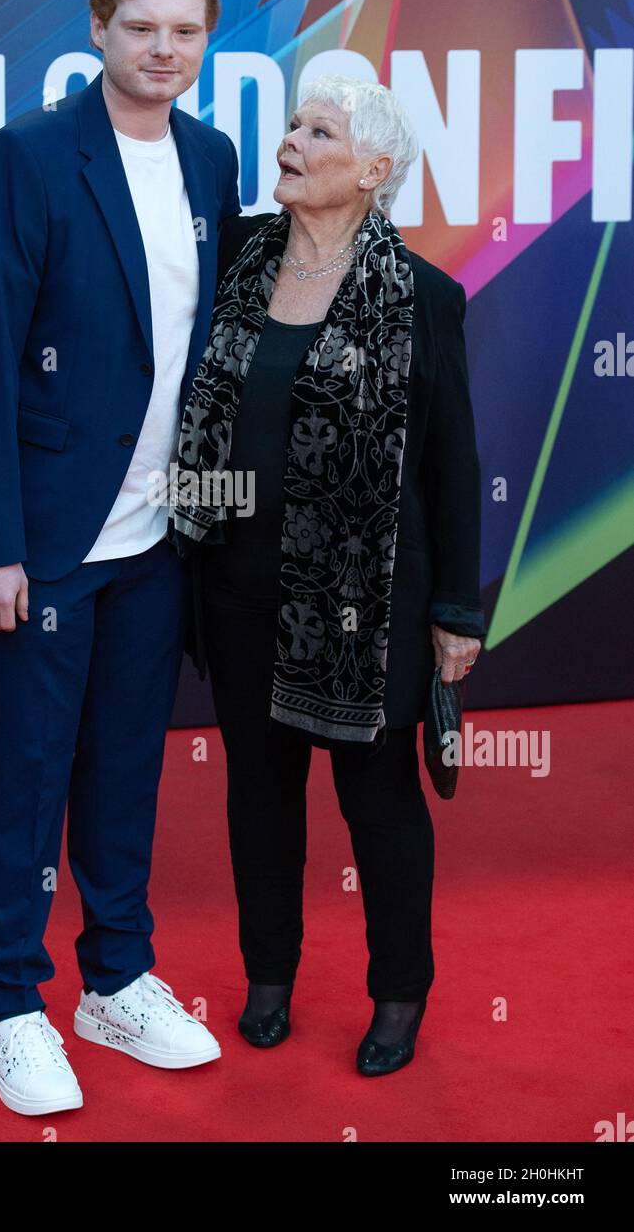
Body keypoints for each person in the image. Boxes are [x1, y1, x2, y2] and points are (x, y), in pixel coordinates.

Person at [0, 0, 240, 1116]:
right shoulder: (29, 157)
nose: (165, 49)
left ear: (208, 40)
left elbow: (199, 359)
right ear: (98, 29)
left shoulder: (212, 159)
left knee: (123, 772)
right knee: (28, 774)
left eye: (186, 30)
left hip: (154, 541)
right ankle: (10, 1003)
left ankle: (116, 979)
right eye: (142, 26)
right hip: (44, 538)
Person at [170, 74, 485, 1076]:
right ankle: (269, 976)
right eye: (294, 124)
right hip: (236, 586)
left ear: (375, 169)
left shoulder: (423, 298)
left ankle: (398, 990)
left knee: (378, 802)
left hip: (369, 604)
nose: (290, 140)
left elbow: (453, 463)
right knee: (257, 794)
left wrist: (454, 610)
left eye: (319, 129)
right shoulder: (237, 259)